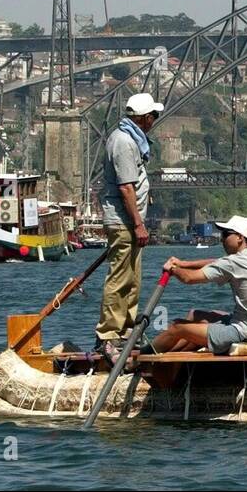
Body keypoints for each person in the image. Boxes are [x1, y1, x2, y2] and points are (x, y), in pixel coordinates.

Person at [94, 92, 161, 365]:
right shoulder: (123, 142)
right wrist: (138, 224)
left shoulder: (132, 139)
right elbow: (125, 187)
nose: (155, 121)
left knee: (132, 278)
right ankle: (109, 335)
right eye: (153, 116)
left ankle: (126, 330)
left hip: (130, 222)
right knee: (120, 278)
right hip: (124, 221)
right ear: (144, 118)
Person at [149, 215, 247, 355]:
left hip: (246, 332)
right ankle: (171, 358)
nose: (222, 239)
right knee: (196, 315)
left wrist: (172, 269)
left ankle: (140, 359)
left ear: (240, 238)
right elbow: (217, 262)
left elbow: (189, 278)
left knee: (177, 327)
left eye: (225, 234)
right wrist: (184, 264)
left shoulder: (233, 262)